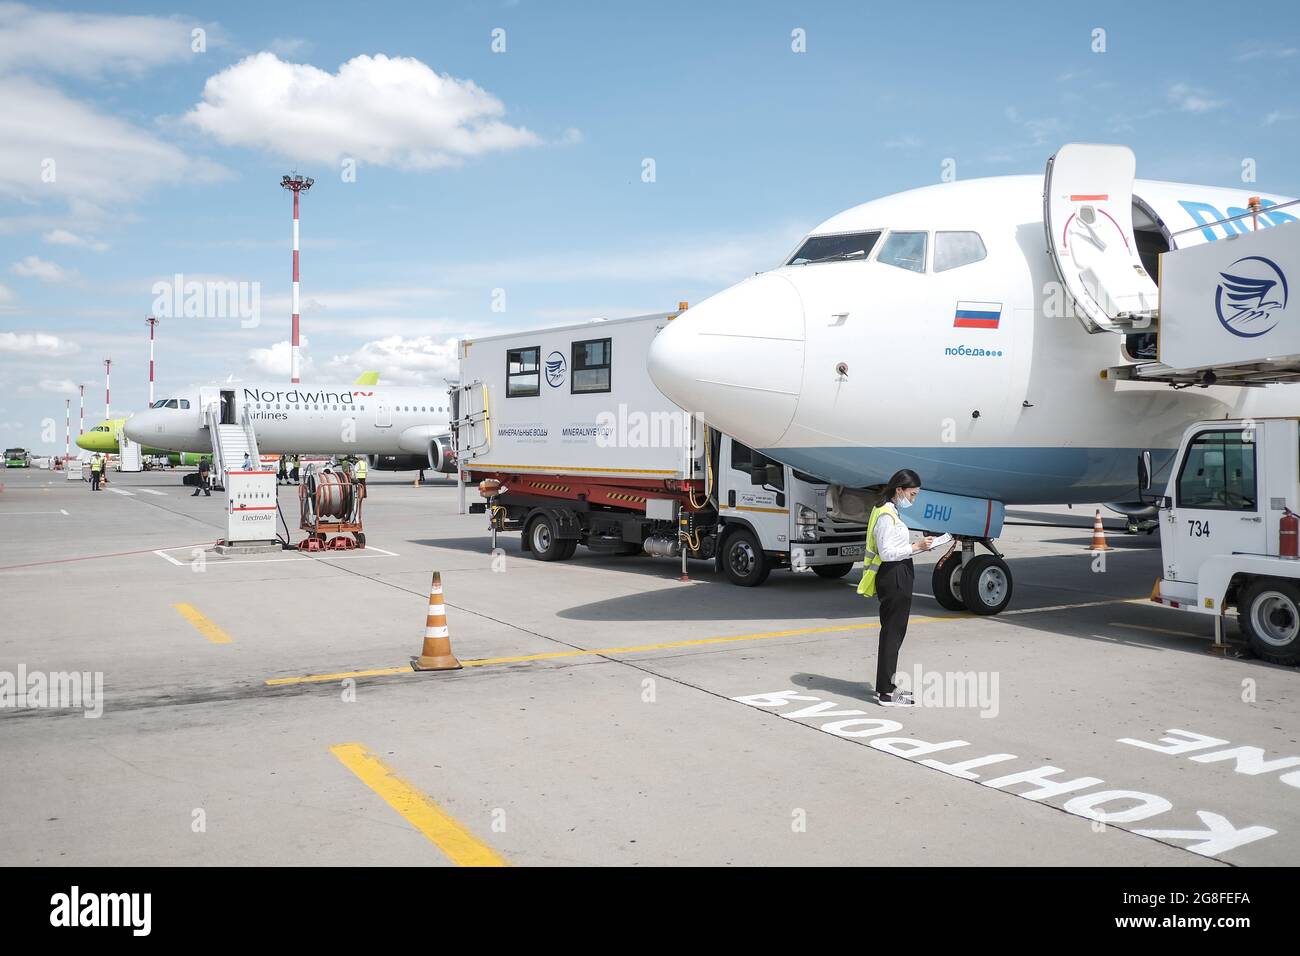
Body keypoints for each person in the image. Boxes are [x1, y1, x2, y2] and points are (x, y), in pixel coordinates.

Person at [857, 469, 934, 707]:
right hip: (894, 576)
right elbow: (888, 552)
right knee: (892, 633)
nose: (913, 499)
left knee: (895, 633)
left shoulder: (890, 511)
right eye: (912, 494)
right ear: (899, 490)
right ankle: (886, 693)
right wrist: (915, 546)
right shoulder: (885, 515)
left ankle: (887, 687)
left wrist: (921, 547)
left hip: (898, 573)